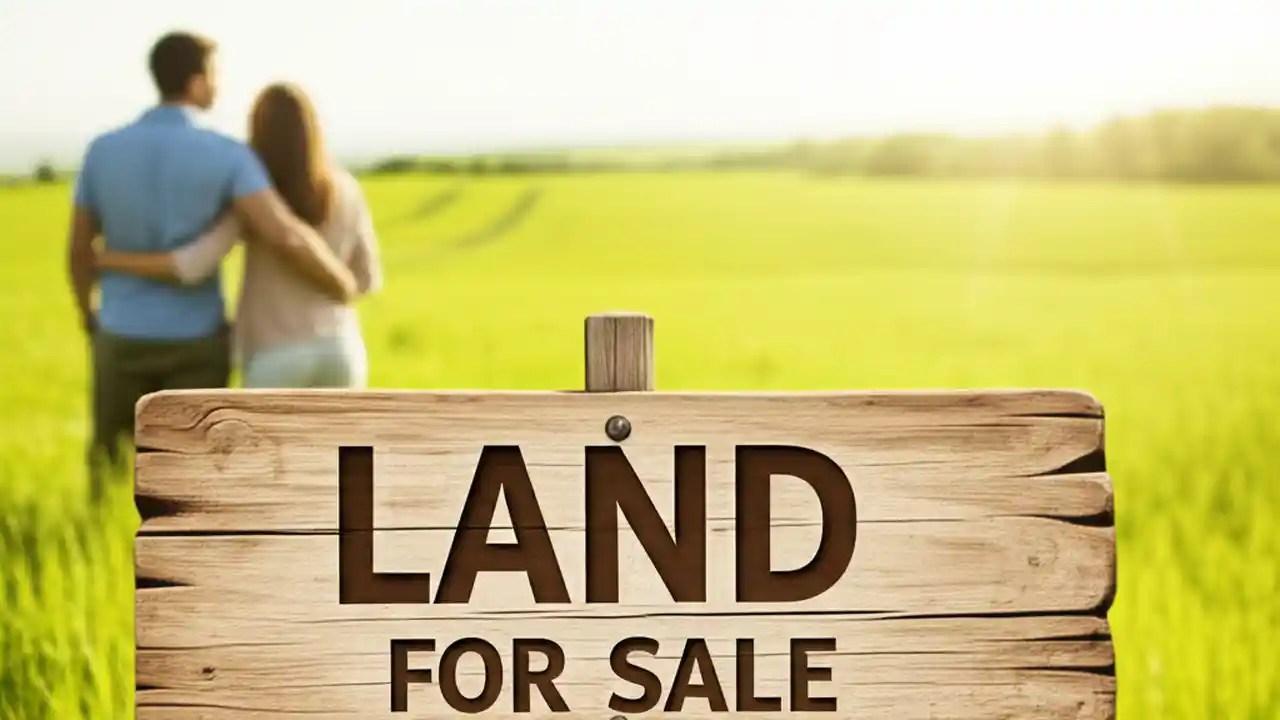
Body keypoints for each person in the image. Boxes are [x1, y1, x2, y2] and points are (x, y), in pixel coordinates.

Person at [67, 31, 357, 494]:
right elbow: (281, 230)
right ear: (197, 81)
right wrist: (341, 282)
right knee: (196, 471)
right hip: (197, 339)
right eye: (215, 74)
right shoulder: (228, 154)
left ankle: (99, 530)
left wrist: (89, 314)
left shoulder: (102, 150)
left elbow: (78, 249)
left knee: (110, 455)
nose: (219, 85)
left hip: (120, 330)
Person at [96, 83, 382, 390]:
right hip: (340, 351)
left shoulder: (254, 201)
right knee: (342, 426)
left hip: (274, 355)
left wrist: (107, 259)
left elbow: (190, 266)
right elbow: (367, 280)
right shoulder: (347, 190)